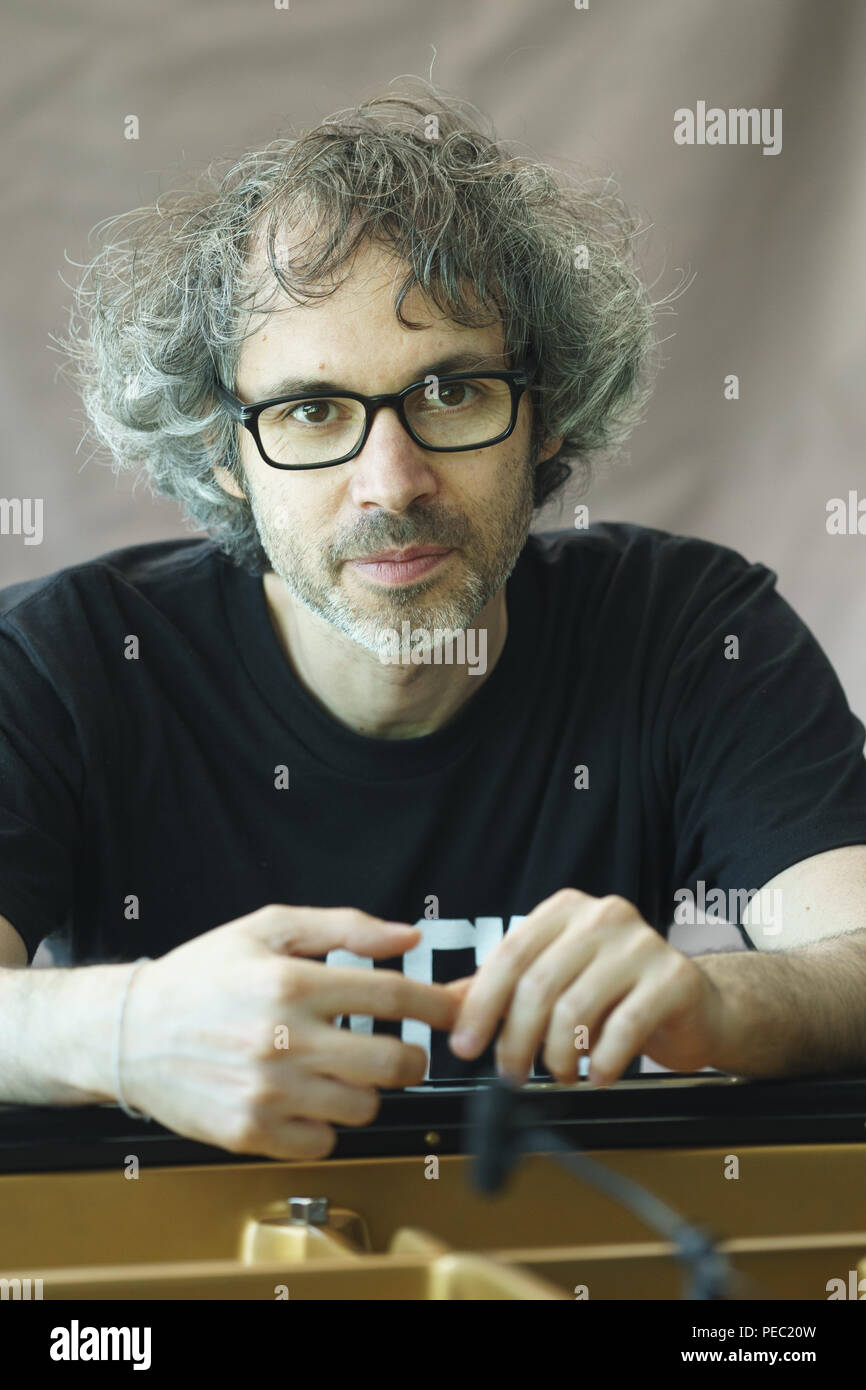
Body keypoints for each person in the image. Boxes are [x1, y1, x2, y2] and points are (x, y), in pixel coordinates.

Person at [1, 82, 865, 1162]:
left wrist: (721, 1003)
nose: (391, 481)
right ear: (225, 454)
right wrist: (125, 1030)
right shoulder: (63, 663)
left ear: (542, 412)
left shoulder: (688, 630)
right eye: (312, 410)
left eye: (452, 392)